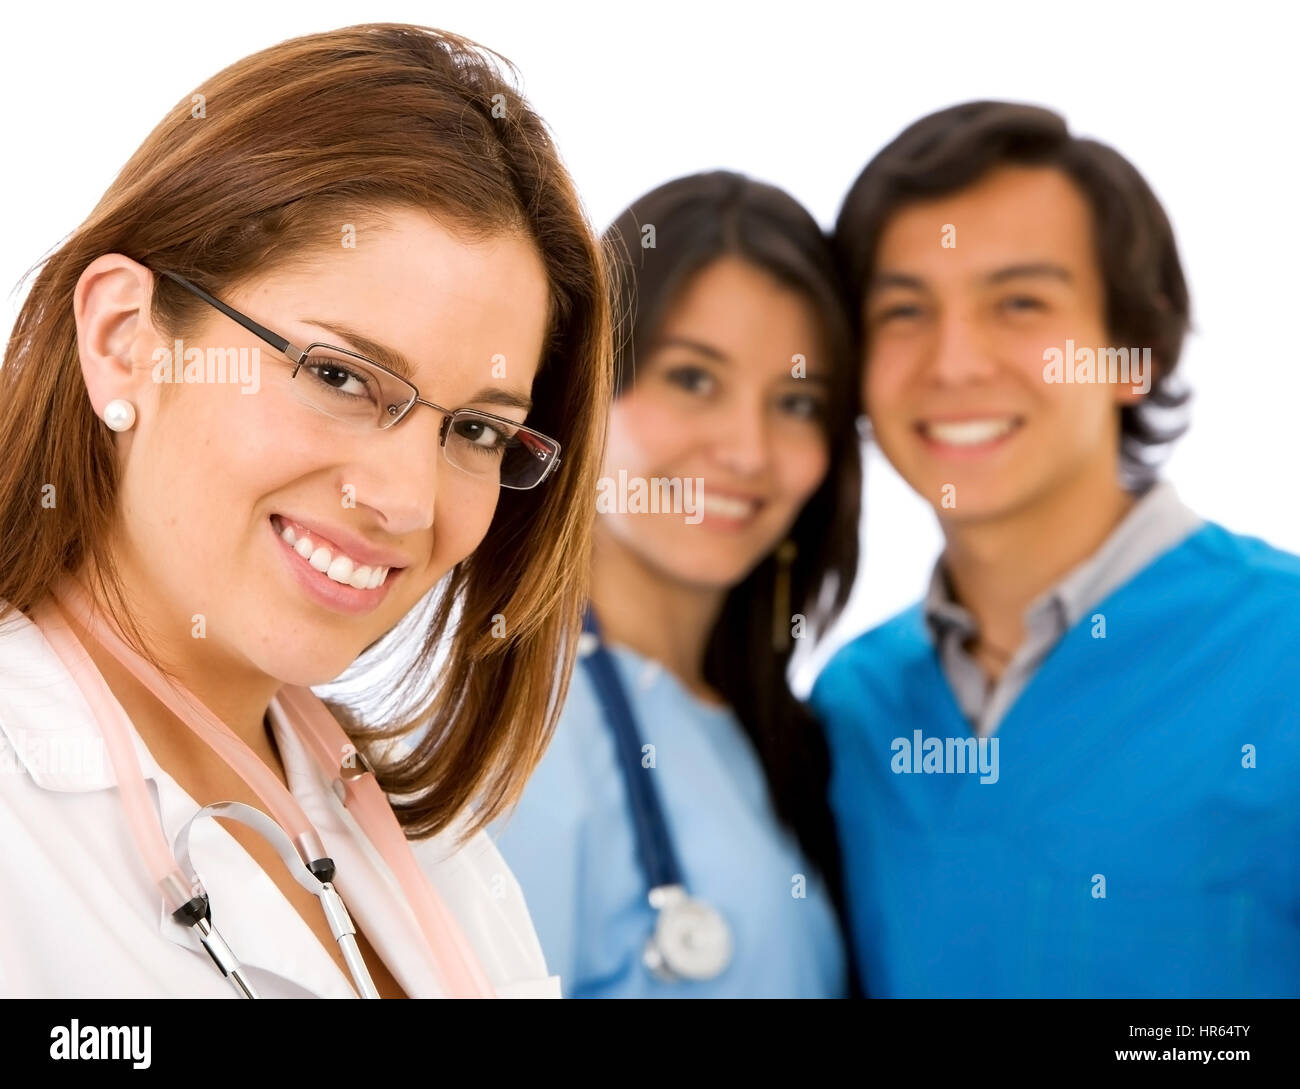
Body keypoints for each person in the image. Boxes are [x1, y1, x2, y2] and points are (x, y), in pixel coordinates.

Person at [0, 23, 613, 999]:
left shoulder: (422, 848)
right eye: (338, 375)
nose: (408, 502)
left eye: (477, 433)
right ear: (123, 340)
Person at [811, 100, 1300, 998]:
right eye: (904, 311)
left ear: (1135, 350)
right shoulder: (857, 709)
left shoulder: (1283, 651)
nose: (954, 362)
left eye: (1020, 303)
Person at [492, 171, 863, 998]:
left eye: (798, 402)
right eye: (694, 379)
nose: (747, 451)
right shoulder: (514, 733)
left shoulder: (776, 732)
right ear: (589, 382)